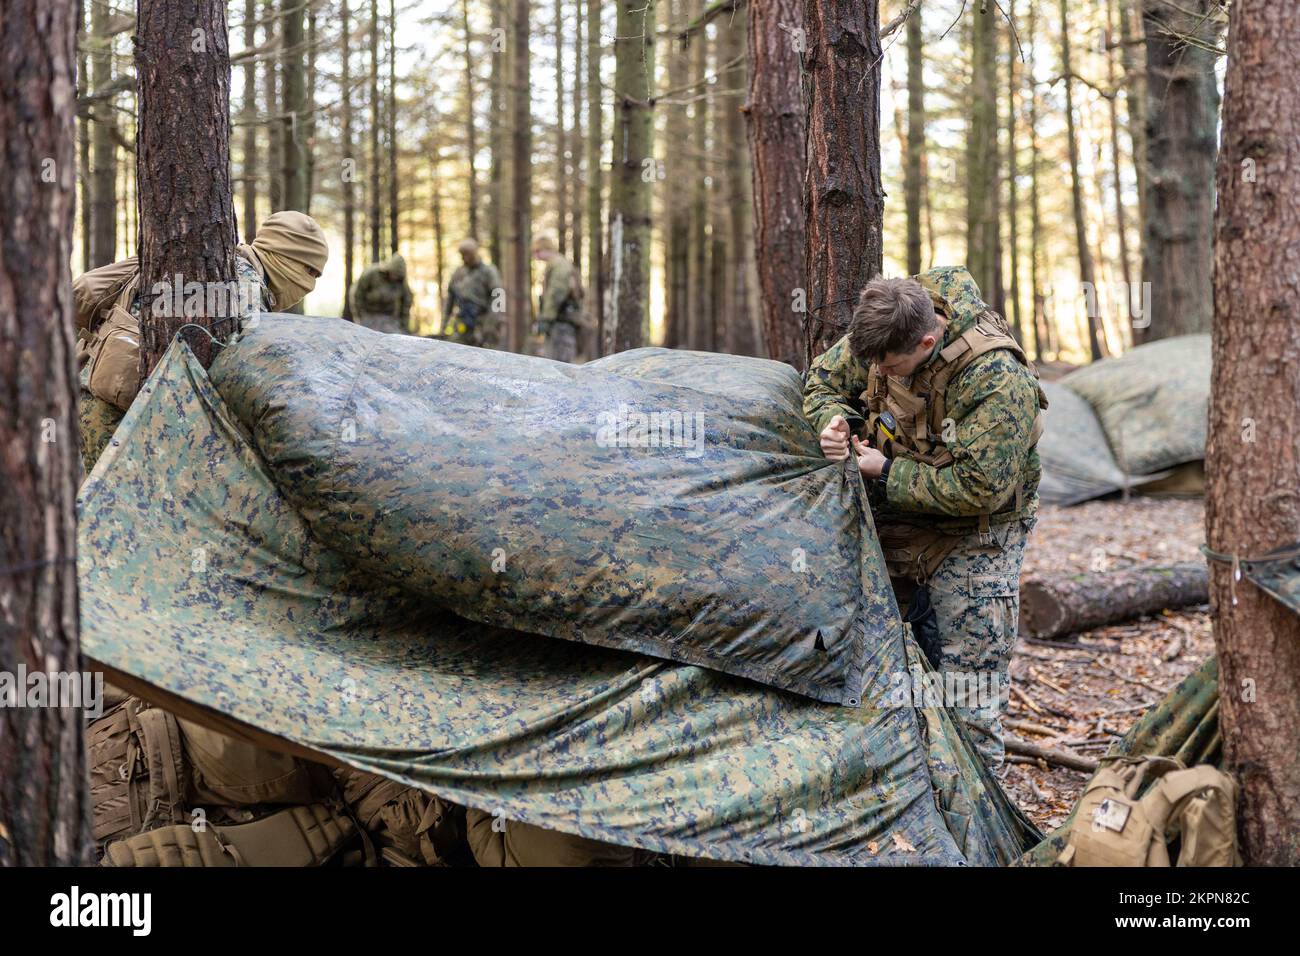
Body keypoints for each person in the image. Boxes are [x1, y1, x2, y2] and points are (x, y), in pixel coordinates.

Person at [803, 267, 1047, 767]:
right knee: (863, 663)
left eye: (891, 368)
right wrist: (835, 422)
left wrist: (887, 471)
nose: (879, 373)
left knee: (970, 692)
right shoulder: (885, 328)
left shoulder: (996, 379)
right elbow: (823, 379)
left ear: (928, 341)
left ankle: (978, 828)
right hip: (898, 513)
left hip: (979, 530)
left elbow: (982, 489)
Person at [73, 210, 329, 473]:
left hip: (106, 396)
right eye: (310, 271)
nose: (309, 285)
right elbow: (245, 379)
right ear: (284, 258)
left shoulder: (224, 262)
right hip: (117, 411)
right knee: (122, 507)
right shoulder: (246, 286)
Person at [531, 234, 584, 363]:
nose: (535, 256)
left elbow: (556, 293)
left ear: (546, 249)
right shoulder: (556, 264)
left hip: (562, 322)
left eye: (537, 252)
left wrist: (546, 318)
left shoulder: (559, 265)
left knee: (560, 364)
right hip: (559, 321)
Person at [442, 238, 504, 348]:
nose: (463, 258)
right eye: (461, 254)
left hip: (483, 322)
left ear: (474, 253)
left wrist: (490, 325)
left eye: (466, 254)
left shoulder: (489, 272)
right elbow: (450, 299)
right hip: (462, 323)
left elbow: (498, 298)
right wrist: (445, 323)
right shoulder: (458, 272)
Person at [351, 253, 414, 334]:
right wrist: (359, 316)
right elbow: (357, 294)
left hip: (389, 318)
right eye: (394, 274)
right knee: (367, 337)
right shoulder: (372, 273)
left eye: (398, 276)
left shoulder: (401, 282)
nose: (395, 277)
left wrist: (404, 325)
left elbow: (406, 303)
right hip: (369, 315)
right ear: (389, 270)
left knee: (395, 338)